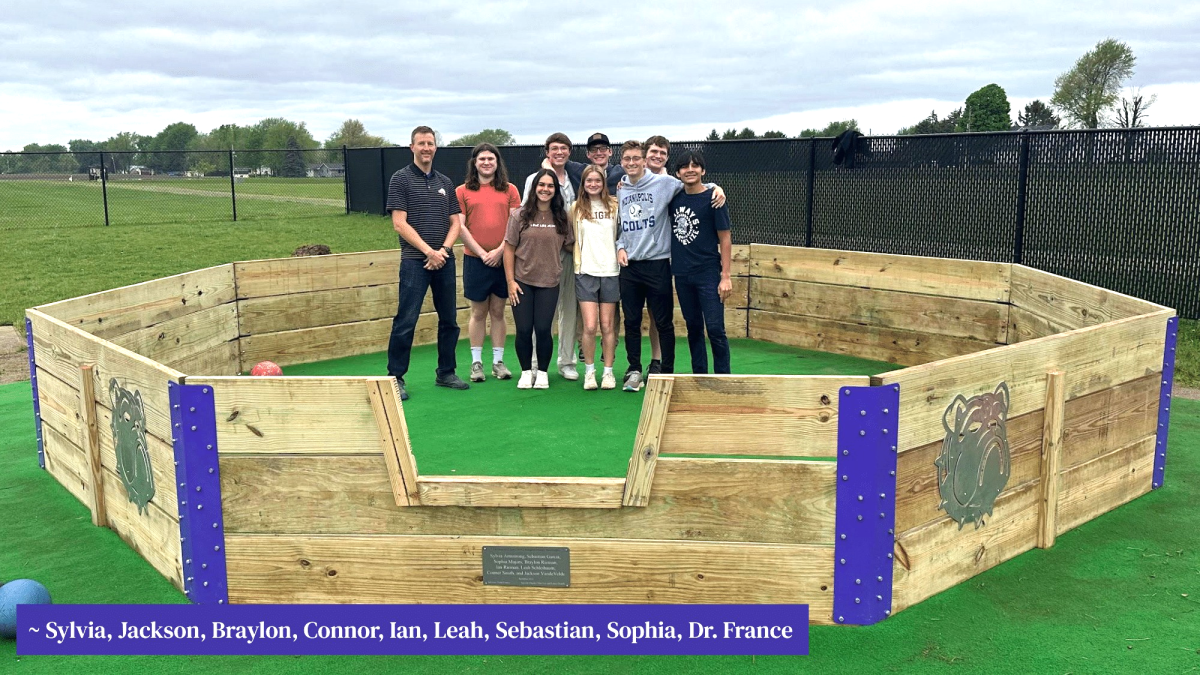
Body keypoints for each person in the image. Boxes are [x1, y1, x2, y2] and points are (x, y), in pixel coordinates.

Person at [615, 140, 726, 391]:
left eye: (636, 159)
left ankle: (666, 372)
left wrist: (714, 187)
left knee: (664, 322)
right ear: (622, 162)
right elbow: (621, 225)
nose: (632, 163)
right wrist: (620, 246)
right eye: (627, 159)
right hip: (630, 266)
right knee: (631, 321)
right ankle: (634, 370)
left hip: (658, 265)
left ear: (644, 161)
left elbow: (692, 182)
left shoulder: (665, 184)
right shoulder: (620, 188)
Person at [385, 126, 469, 400]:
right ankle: (395, 377)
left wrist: (442, 251)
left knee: (450, 321)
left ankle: (446, 372)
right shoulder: (400, 180)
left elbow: (456, 222)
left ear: (435, 147)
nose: (426, 148)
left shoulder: (445, 182)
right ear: (412, 147)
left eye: (430, 143)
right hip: (414, 262)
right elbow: (399, 223)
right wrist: (428, 252)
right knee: (406, 320)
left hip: (444, 261)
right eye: (421, 143)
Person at [505, 169, 574, 390]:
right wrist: (510, 282)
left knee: (544, 329)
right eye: (541, 185)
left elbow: (571, 245)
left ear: (556, 190)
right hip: (522, 282)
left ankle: (543, 372)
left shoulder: (562, 217)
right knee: (524, 329)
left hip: (549, 283)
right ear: (534, 188)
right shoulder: (519, 215)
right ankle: (526, 371)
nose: (545, 189)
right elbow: (509, 249)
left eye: (550, 186)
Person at [456, 143, 520, 382]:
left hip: (504, 261)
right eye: (481, 159)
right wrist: (483, 253)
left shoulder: (510, 190)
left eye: (490, 159)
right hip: (476, 261)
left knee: (498, 311)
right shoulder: (462, 191)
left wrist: (500, 251)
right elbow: (460, 227)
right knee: (478, 311)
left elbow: (515, 226)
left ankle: (498, 362)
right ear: (474, 163)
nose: (486, 162)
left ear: (497, 163)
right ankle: (476, 364)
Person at [669, 150, 733, 374]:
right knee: (693, 327)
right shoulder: (674, 199)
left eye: (695, 166)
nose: (690, 170)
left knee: (715, 328)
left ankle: (723, 378)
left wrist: (725, 276)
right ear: (678, 172)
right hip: (682, 274)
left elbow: (725, 238)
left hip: (708, 273)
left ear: (703, 171)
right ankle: (700, 376)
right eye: (685, 167)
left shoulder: (714, 199)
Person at [522, 133, 580, 381]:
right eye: (554, 148)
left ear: (569, 152)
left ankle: (567, 362)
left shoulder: (576, 177)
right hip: (540, 255)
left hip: (569, 251)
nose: (559, 152)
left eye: (564, 148)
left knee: (569, 308)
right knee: (540, 315)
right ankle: (535, 363)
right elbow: (526, 213)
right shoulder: (533, 179)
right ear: (547, 151)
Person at [570, 165, 621, 390]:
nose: (593, 184)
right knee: (589, 326)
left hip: (611, 271)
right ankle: (589, 372)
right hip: (585, 272)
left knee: (608, 325)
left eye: (597, 180)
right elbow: (569, 238)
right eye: (588, 180)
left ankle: (608, 373)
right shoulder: (576, 208)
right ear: (583, 183)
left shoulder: (615, 205)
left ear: (603, 183)